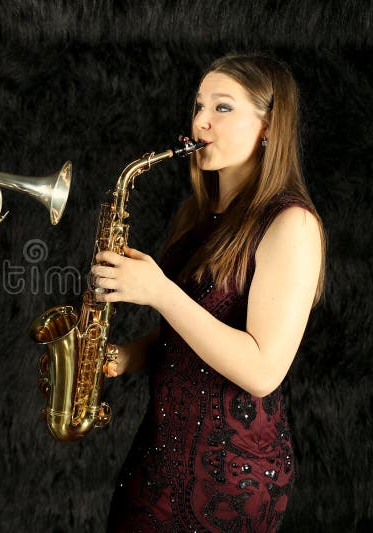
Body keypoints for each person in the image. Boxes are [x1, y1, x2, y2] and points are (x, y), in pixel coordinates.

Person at [93, 54, 325, 531]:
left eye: (222, 108)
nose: (200, 121)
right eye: (199, 106)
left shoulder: (291, 224)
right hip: (157, 459)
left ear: (269, 125)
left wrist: (159, 291)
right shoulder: (194, 216)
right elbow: (187, 334)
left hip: (232, 480)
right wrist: (124, 356)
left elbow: (263, 370)